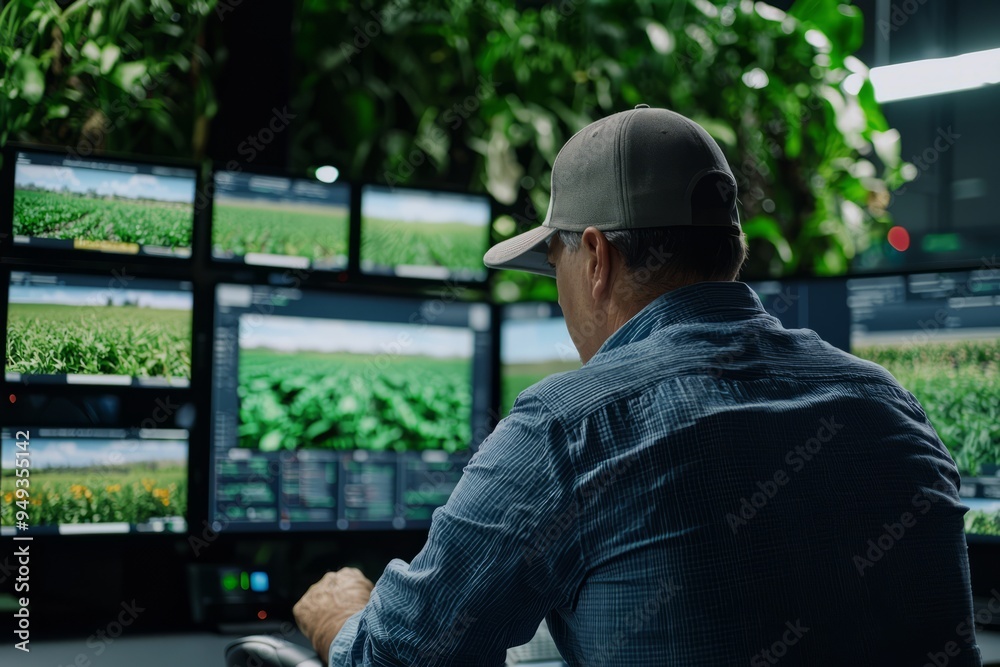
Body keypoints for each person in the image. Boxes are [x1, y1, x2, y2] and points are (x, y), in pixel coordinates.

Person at [294, 106, 981, 665]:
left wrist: (340, 613)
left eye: (555, 263)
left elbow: (396, 659)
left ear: (596, 257)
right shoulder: (890, 404)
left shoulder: (569, 424)